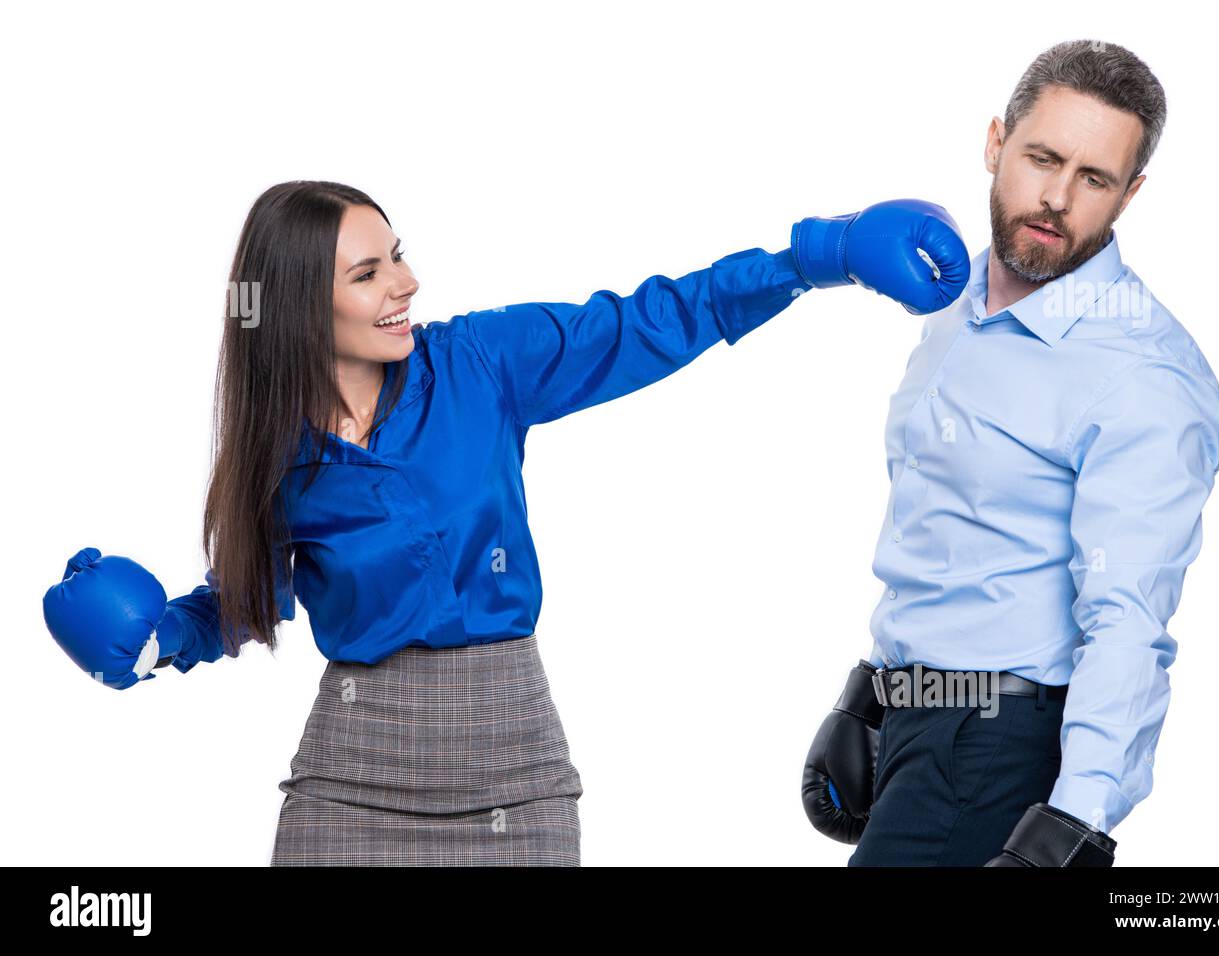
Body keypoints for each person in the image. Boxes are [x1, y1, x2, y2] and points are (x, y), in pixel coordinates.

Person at [44, 182, 969, 866]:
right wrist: (163, 638)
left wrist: (818, 255)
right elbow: (247, 603)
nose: (408, 282)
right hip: (349, 775)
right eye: (370, 273)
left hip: (508, 761)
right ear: (295, 305)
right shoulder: (277, 455)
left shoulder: (480, 363)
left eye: (398, 253)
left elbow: (651, 321)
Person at [803, 38, 1219, 867]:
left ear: (1129, 194)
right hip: (917, 717)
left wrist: (1075, 824)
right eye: (1042, 158)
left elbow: (1129, 621)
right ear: (996, 142)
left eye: (1095, 179)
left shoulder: (1144, 373)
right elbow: (953, 527)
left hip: (999, 748)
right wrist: (872, 693)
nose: (1057, 198)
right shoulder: (957, 297)